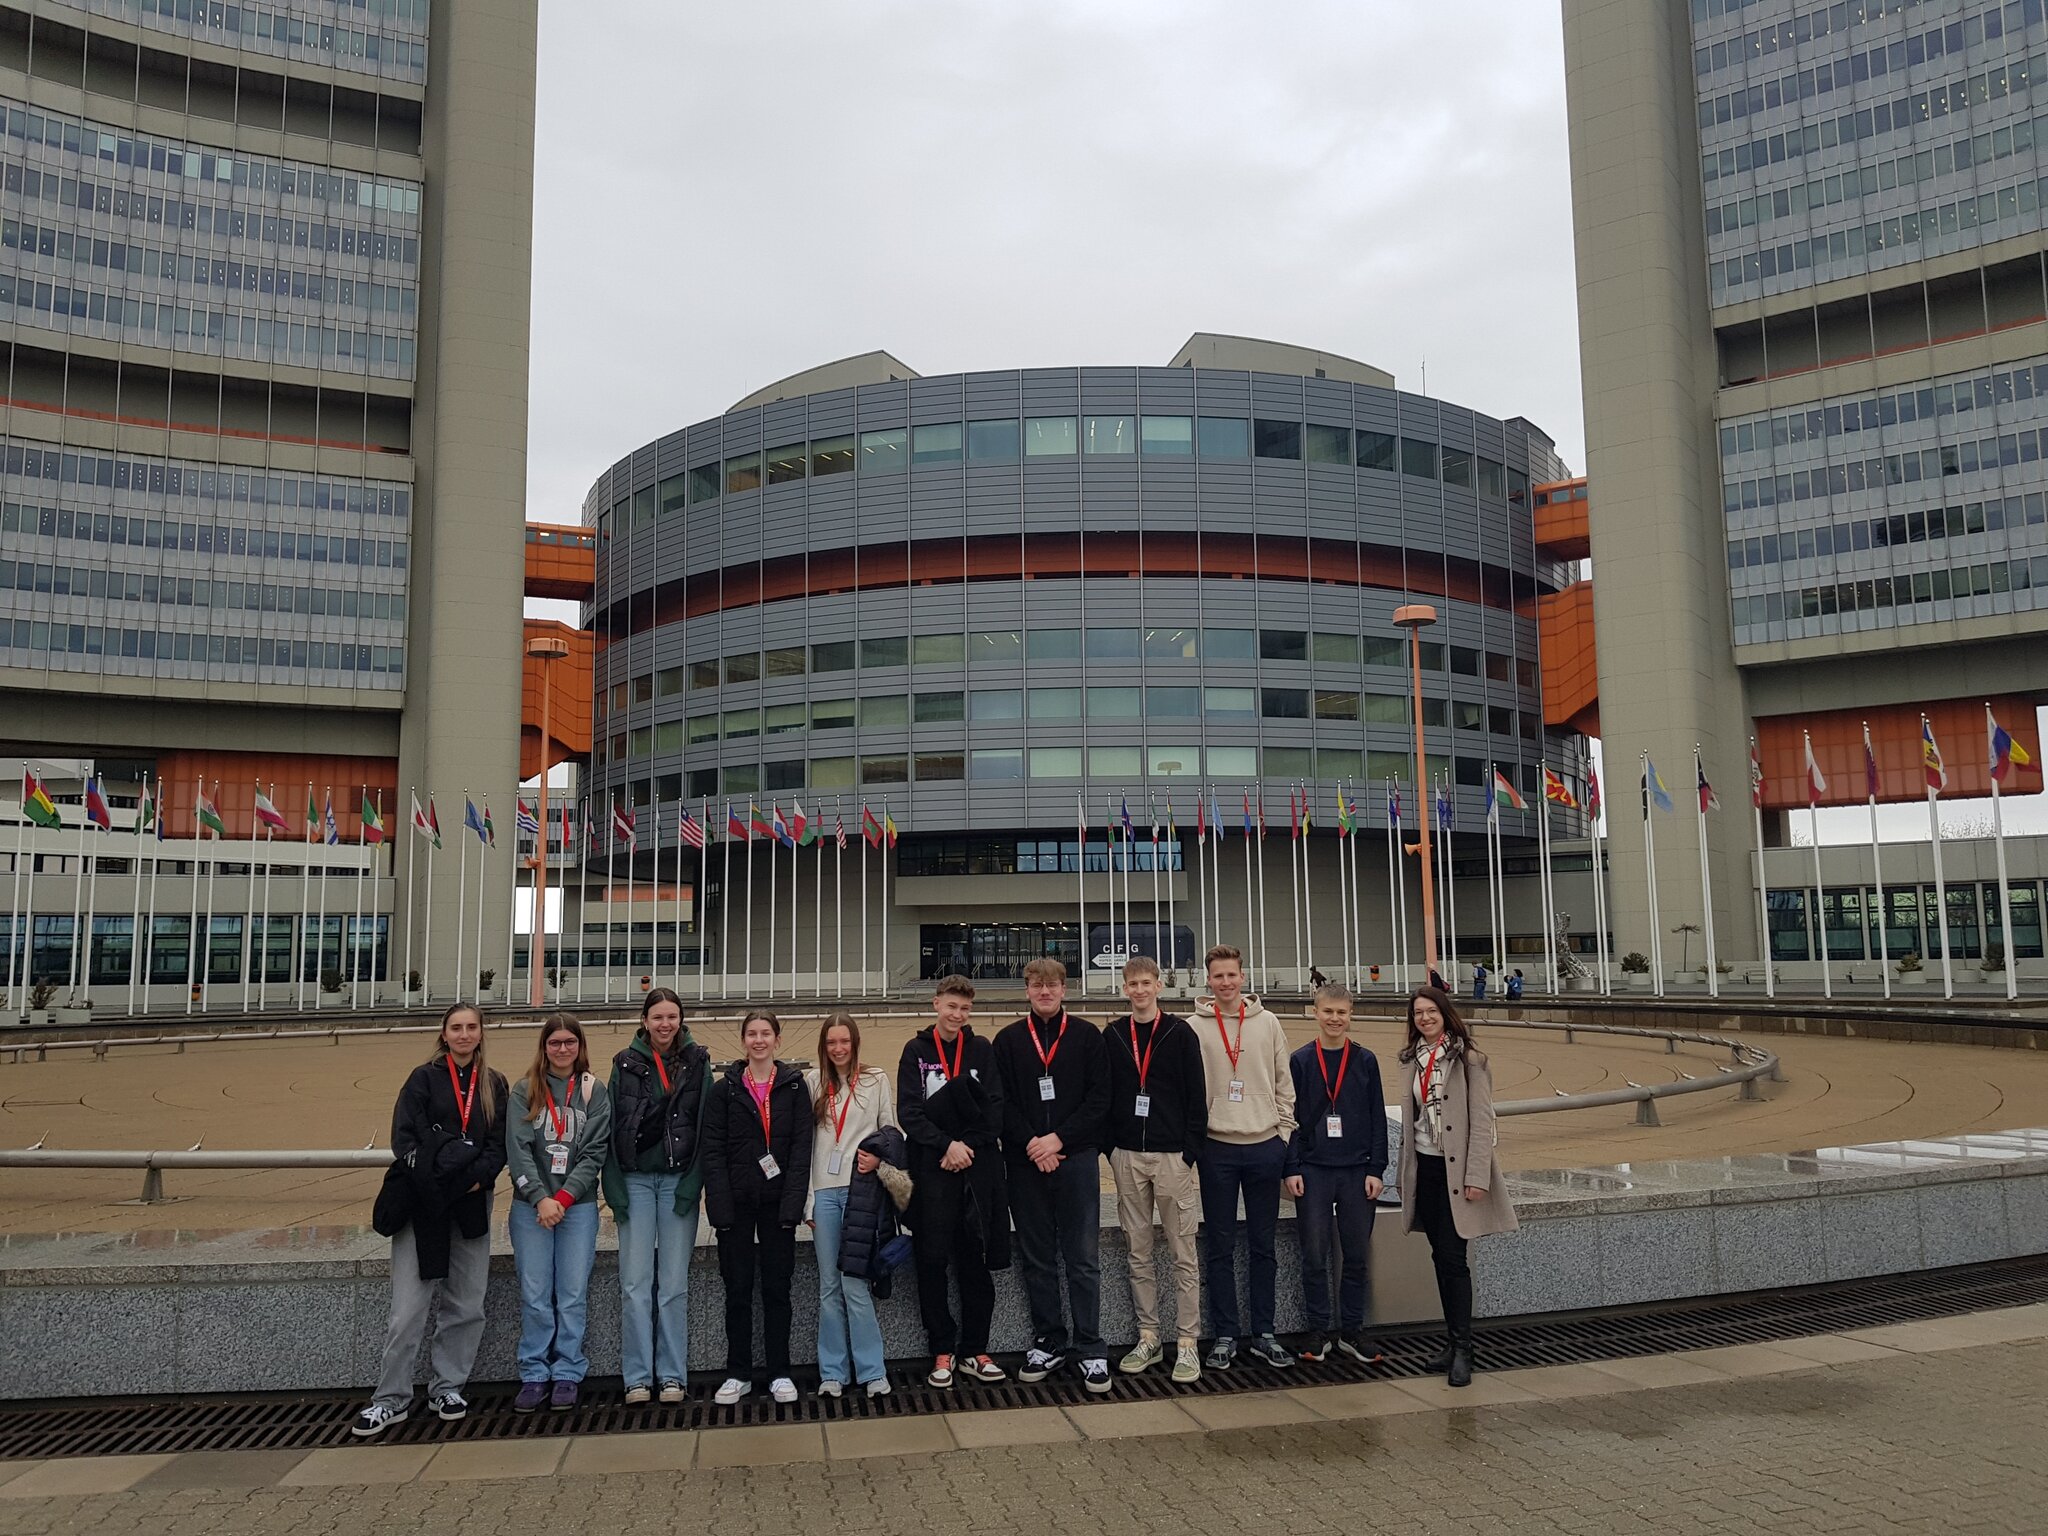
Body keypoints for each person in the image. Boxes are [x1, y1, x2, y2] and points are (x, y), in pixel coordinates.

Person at [355, 1003, 508, 1437]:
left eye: (471, 1027)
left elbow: (497, 1146)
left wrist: (474, 1181)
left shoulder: (493, 1084)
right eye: (456, 1028)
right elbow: (405, 1140)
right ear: (444, 1034)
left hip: (469, 1204)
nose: (464, 1035)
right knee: (407, 1310)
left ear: (481, 1033)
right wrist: (441, 1177)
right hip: (422, 1204)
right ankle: (390, 1399)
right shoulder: (421, 1079)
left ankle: (448, 1386)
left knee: (466, 1304)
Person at [993, 957, 1110, 1393]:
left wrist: (1058, 1140)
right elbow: (1000, 1103)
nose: (1045, 992)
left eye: (1053, 985)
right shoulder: (1007, 1041)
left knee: (1083, 1259)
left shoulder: (1085, 1037)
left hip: (1076, 1159)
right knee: (1037, 1258)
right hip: (1025, 1164)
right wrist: (1033, 1144)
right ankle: (1049, 1340)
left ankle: (1090, 1346)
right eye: (1037, 985)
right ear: (1027, 990)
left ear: (1064, 989)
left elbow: (1100, 1099)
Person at [1398, 987, 1518, 1387]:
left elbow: (1483, 1122)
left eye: (1431, 1011)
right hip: (1426, 1171)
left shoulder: (1469, 1060)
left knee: (1454, 1259)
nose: (1425, 1018)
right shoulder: (1411, 1060)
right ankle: (1453, 1343)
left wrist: (1476, 1177)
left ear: (1446, 1014)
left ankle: (1464, 1349)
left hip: (1457, 1173)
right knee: (1440, 1256)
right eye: (1418, 1013)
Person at [898, 974, 1010, 1389]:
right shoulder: (916, 1050)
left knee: (975, 1263)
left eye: (964, 1008)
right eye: (950, 1006)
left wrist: (967, 1147)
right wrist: (946, 1146)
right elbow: (909, 1113)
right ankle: (942, 1350)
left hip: (977, 1173)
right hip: (932, 1172)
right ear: (935, 1005)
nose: (957, 1015)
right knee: (931, 1262)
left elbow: (995, 1109)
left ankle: (976, 1350)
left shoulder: (980, 1049)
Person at [601, 987, 712, 1406]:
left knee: (673, 1285)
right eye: (658, 1017)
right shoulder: (624, 1063)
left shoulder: (698, 1062)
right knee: (634, 1284)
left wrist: (692, 1185)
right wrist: (614, 1190)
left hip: (677, 1181)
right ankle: (635, 1377)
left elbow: (705, 1128)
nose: (665, 1025)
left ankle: (671, 1375)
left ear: (680, 1020)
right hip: (635, 1183)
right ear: (645, 1021)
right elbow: (610, 1130)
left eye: (672, 1017)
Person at [1192, 944, 1296, 1370]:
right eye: (1218, 976)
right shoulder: (1194, 1027)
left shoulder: (1267, 1023)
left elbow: (1283, 1082)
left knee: (1262, 1245)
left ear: (1242, 977)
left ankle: (1264, 1332)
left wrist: (1283, 1136)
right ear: (1209, 980)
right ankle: (1225, 1334)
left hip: (1263, 1145)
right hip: (1216, 1147)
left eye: (1232, 975)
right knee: (1218, 1246)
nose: (1226, 983)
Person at [1105, 954, 1206, 1384]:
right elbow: (1104, 1093)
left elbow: (1196, 1096)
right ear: (1124, 988)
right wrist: (1111, 1149)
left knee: (1183, 1253)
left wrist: (1188, 1153)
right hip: (1127, 1156)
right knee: (1138, 1251)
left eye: (1147, 983)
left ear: (1159, 985)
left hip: (1171, 1159)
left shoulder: (1180, 1033)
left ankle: (1187, 1343)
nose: (1140, 990)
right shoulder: (1112, 1034)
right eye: (1133, 984)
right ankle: (1149, 1336)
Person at [702, 1008, 811, 1405]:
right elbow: (711, 1152)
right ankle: (739, 1373)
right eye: (752, 1033)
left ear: (777, 1041)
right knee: (738, 1289)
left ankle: (780, 1371)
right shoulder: (724, 1090)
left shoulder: (795, 1089)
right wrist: (720, 1207)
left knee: (778, 1289)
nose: (759, 1040)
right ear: (744, 1041)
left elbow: (802, 1150)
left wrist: (793, 1204)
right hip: (736, 1203)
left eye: (766, 1033)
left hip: (778, 1203)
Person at [505, 1013, 612, 1411]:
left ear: (580, 1046)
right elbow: (518, 1152)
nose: (563, 1049)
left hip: (577, 1208)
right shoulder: (524, 1090)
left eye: (570, 1042)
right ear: (544, 1047)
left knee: (571, 1294)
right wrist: (540, 1198)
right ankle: (533, 1372)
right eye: (555, 1043)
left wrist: (563, 1199)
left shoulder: (592, 1091)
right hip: (531, 1210)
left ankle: (567, 1370)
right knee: (534, 1294)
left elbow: (594, 1152)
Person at [1283, 983, 1387, 1364]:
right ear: (1315, 1013)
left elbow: (1378, 1117)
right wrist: (1291, 1166)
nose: (1335, 1018)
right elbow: (1290, 1119)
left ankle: (1353, 1330)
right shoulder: (1301, 1061)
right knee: (1313, 1255)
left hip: (1357, 1171)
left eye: (1342, 1012)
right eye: (1328, 1011)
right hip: (1313, 1171)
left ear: (1351, 1014)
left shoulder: (1365, 1060)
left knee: (1355, 1255)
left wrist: (1376, 1168)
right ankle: (1318, 1329)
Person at [806, 1012, 899, 1399]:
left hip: (862, 1194)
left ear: (855, 1043)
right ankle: (832, 1371)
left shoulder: (876, 1080)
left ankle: (872, 1370)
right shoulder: (812, 1082)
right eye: (832, 1042)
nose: (839, 1048)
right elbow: (804, 1146)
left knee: (855, 1284)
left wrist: (878, 1159)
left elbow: (892, 1132)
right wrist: (808, 1202)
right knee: (829, 1287)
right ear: (824, 1047)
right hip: (824, 1194)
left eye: (844, 1041)